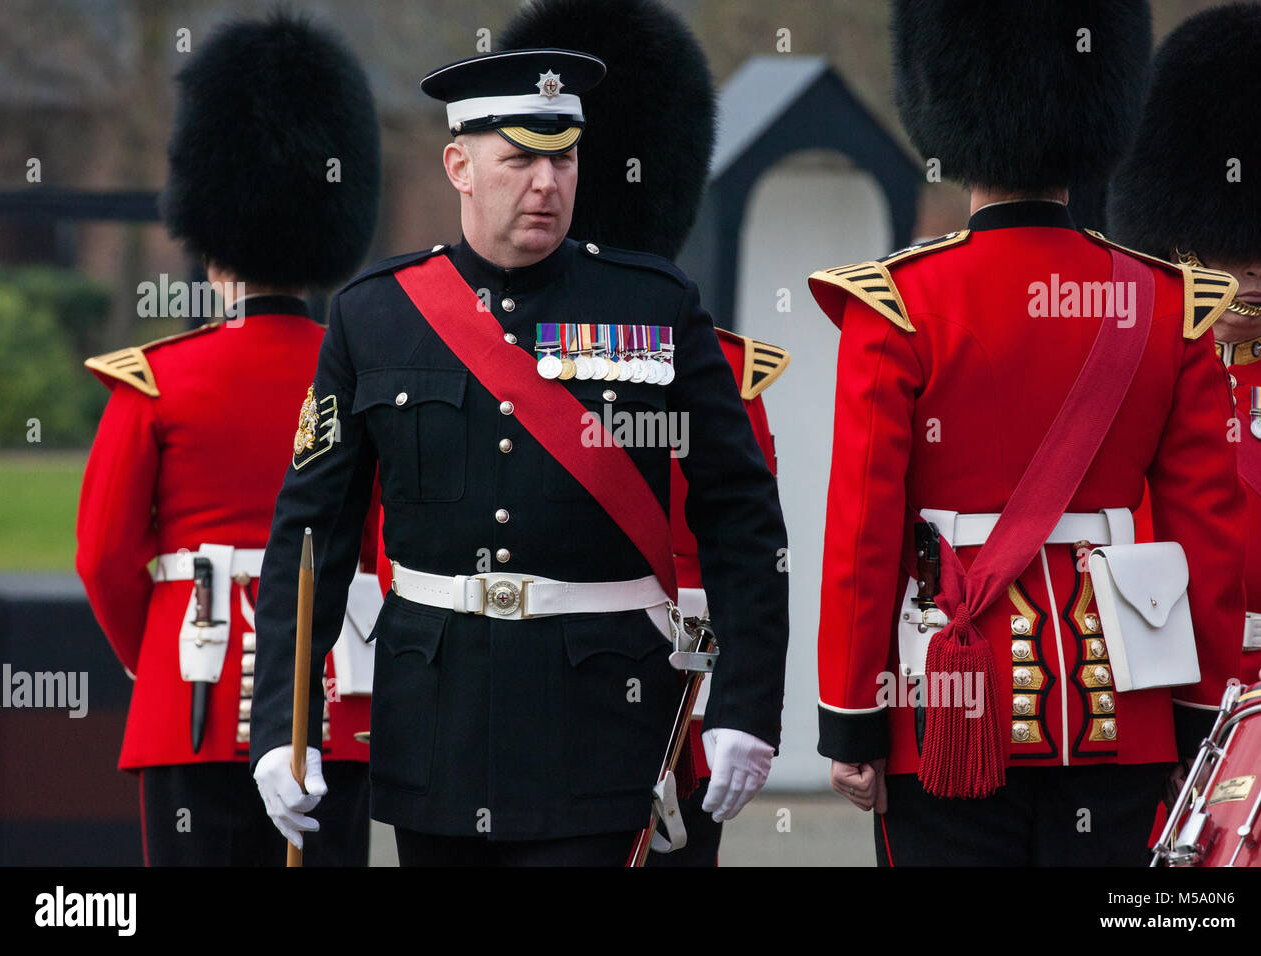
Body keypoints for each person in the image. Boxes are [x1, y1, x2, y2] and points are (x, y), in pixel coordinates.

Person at [249, 47, 789, 867]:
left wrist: (748, 705)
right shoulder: (376, 316)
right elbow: (310, 537)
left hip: (603, 725)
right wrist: (278, 729)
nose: (547, 183)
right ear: (459, 165)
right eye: (520, 160)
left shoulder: (654, 304)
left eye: (563, 158)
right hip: (436, 725)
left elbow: (742, 517)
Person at [808, 0, 1246, 866]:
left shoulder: (901, 304)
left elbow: (863, 529)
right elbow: (1208, 532)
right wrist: (1198, 718)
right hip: (1123, 702)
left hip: (949, 702)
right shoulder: (1164, 304)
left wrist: (853, 713)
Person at [75, 12, 380, 866]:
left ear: (213, 250)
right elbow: (387, 546)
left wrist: (162, 658)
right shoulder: (363, 376)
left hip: (192, 702)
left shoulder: (157, 380)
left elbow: (102, 556)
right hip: (334, 703)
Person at [495, 0, 790, 870]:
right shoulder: (727, 367)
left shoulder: (497, 351)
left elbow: (745, 541)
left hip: (658, 709)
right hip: (653, 698)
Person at [1109, 1, 1261, 688]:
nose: (1255, 270)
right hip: (1160, 687)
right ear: (1176, 242)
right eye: (1226, 247)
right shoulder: (1130, 377)